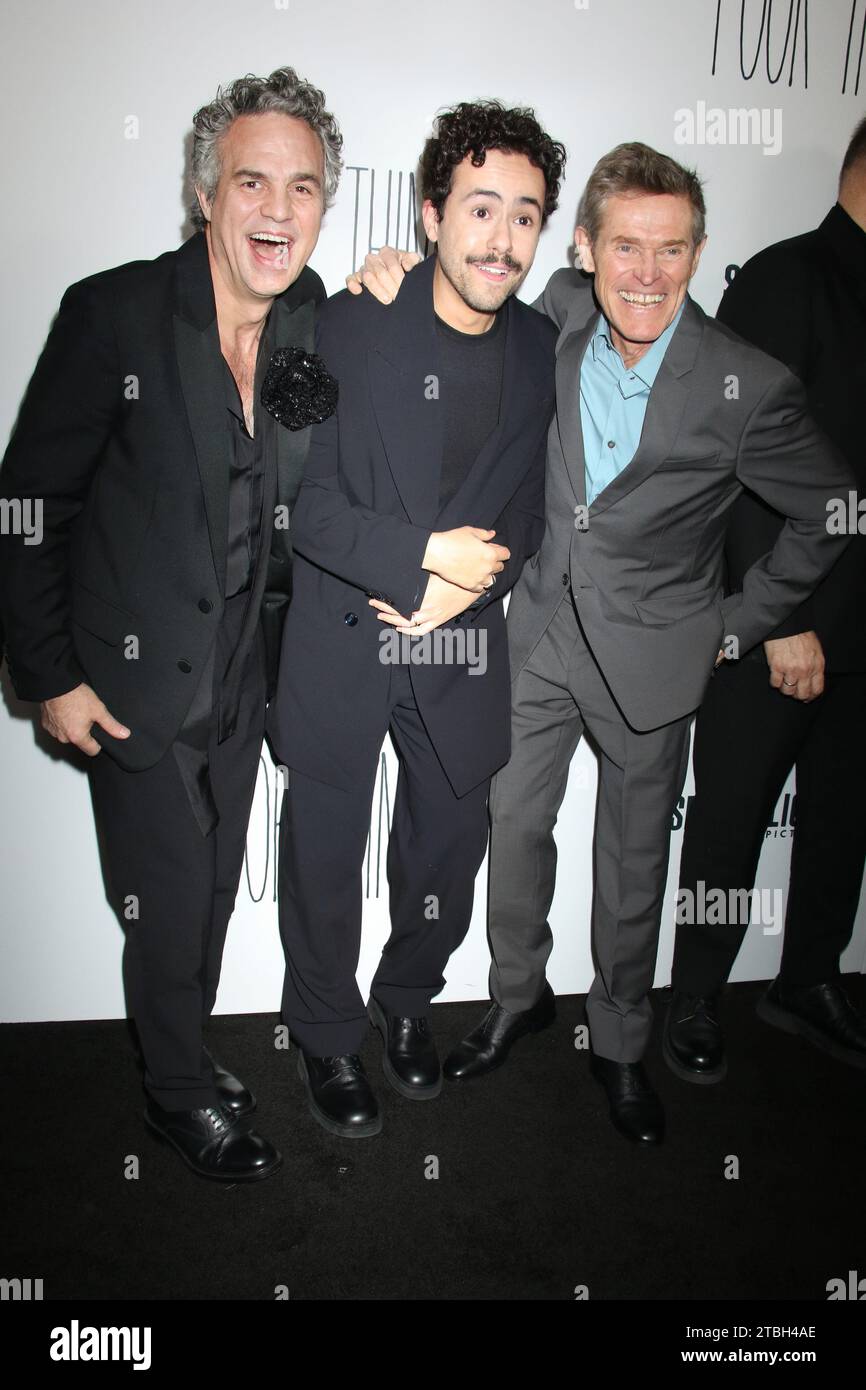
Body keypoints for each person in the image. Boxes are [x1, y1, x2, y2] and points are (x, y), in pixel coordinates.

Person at [0, 67, 345, 1182]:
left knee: (201, 899)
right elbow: (27, 503)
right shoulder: (117, 314)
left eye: (301, 187)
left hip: (245, 683)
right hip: (131, 682)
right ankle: (176, 1098)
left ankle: (181, 1053)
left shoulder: (312, 320)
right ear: (208, 193)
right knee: (166, 904)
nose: (276, 211)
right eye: (252, 182)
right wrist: (47, 675)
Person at [266, 101, 565, 1138]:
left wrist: (470, 586)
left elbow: (527, 505)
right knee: (321, 854)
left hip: (460, 646)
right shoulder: (345, 323)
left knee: (442, 852)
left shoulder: (540, 347)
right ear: (431, 215)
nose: (500, 237)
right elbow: (299, 502)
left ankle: (403, 1007)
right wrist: (420, 560)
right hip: (344, 631)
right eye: (479, 208)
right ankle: (324, 1034)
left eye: (524, 215)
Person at [665, 118, 866, 1083]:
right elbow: (732, 466)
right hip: (779, 622)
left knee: (844, 815)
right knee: (734, 813)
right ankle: (697, 995)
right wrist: (777, 620)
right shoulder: (786, 279)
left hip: (863, 621)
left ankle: (808, 977)